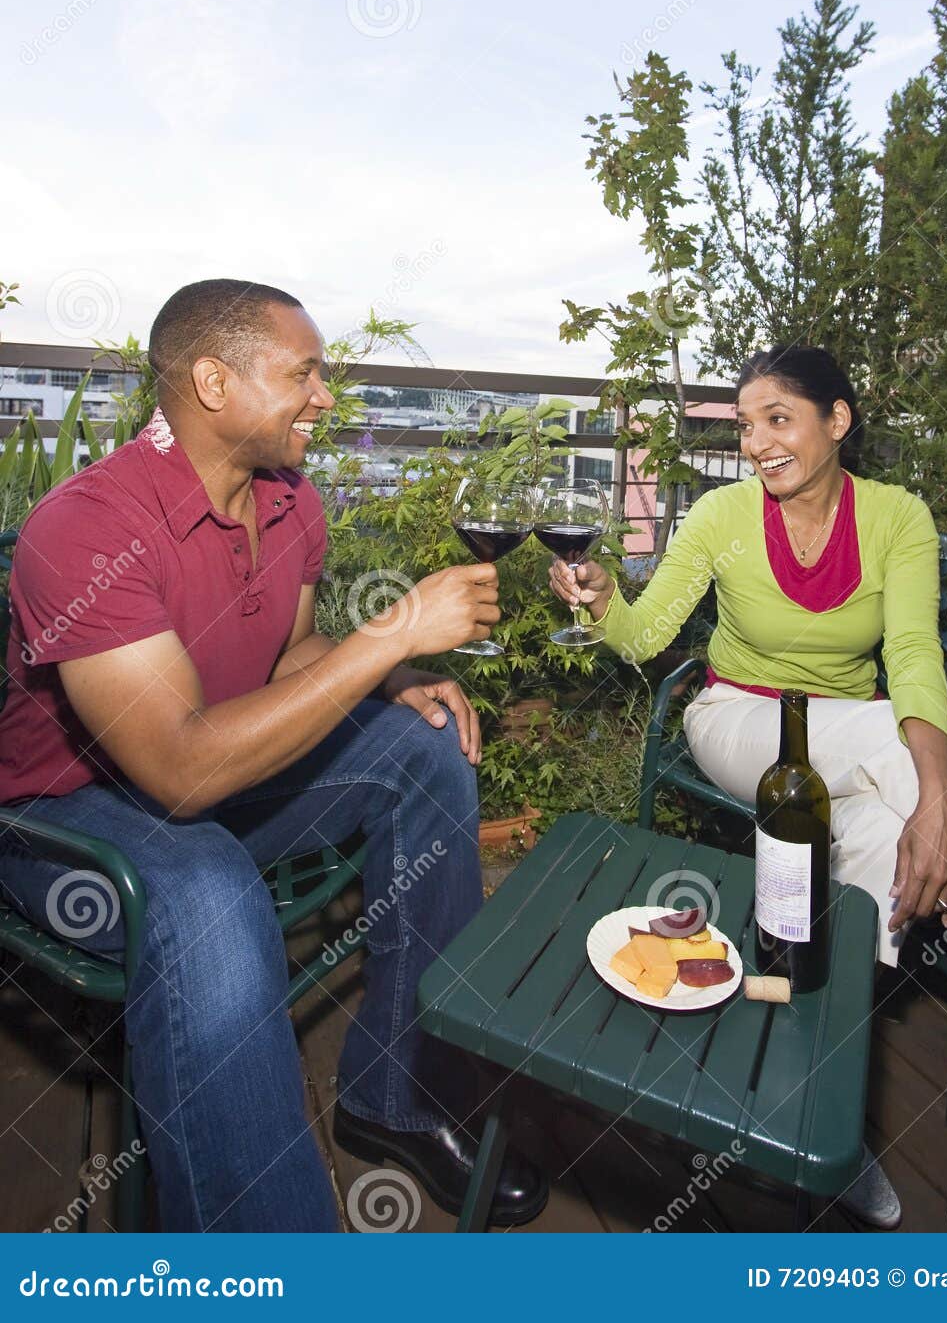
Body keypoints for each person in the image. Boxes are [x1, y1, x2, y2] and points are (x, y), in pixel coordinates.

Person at [0, 279, 547, 1232]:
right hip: (62, 815)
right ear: (213, 382)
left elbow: (289, 656)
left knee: (424, 751)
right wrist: (388, 636)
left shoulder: (291, 501)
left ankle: (398, 1094)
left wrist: (383, 679)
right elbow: (178, 769)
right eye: (304, 373)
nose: (326, 396)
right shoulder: (87, 528)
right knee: (207, 885)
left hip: (214, 774)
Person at [549, 343, 947, 1224]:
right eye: (746, 424)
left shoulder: (897, 517)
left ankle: (808, 1115)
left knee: (872, 831)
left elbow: (909, 655)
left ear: (837, 421)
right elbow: (641, 640)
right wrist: (601, 601)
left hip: (855, 739)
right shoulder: (719, 516)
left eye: (777, 419)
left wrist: (925, 800)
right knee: (910, 772)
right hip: (741, 723)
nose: (756, 442)